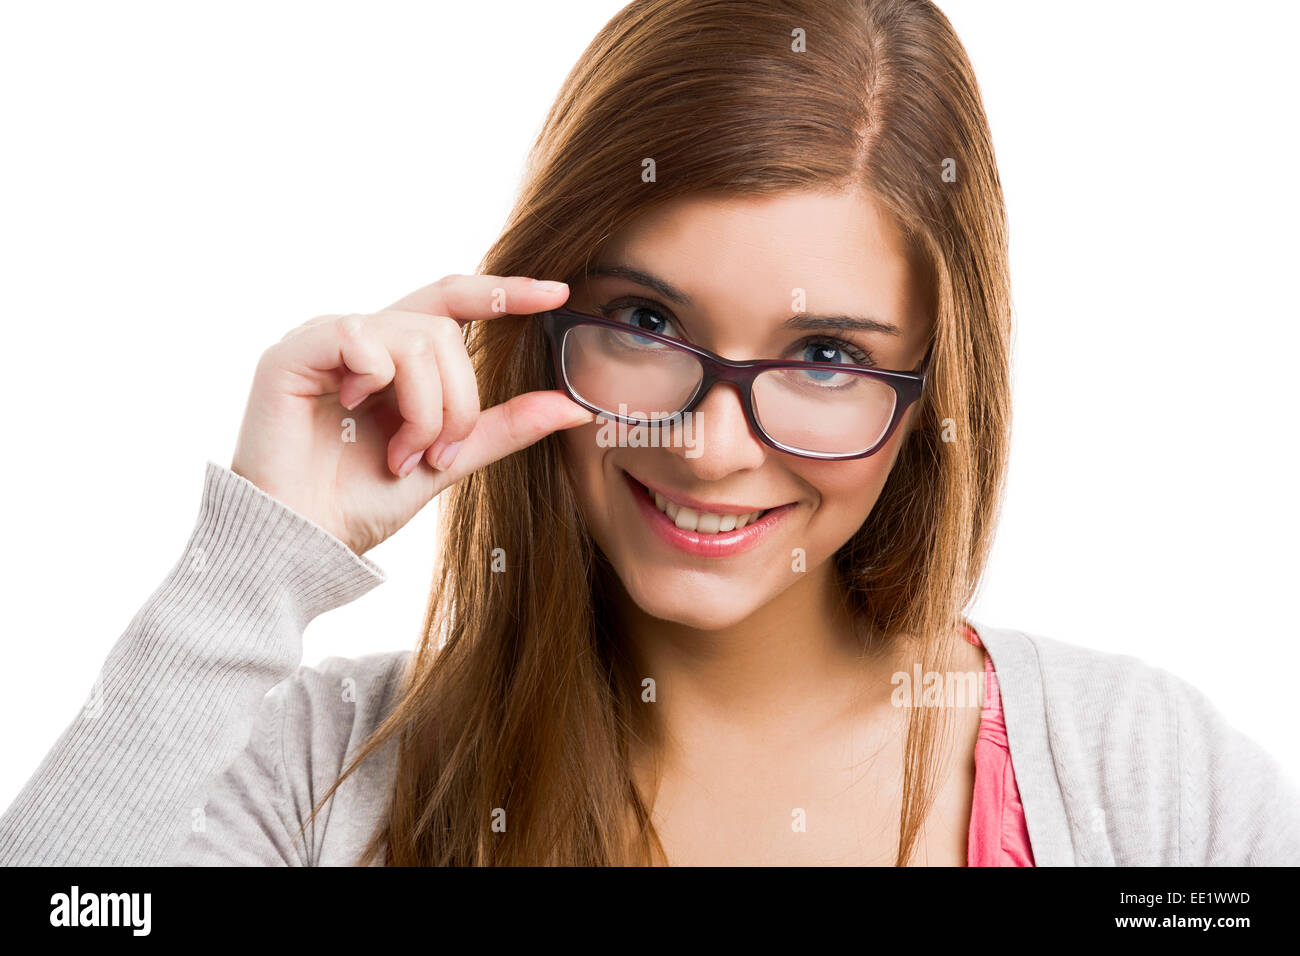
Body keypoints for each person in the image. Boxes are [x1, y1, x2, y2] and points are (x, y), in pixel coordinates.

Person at [2, 0, 1297, 867]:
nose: (711, 448)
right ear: (535, 315)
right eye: (645, 320)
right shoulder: (321, 775)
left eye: (828, 355)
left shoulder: (1147, 783)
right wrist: (259, 562)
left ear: (935, 387)